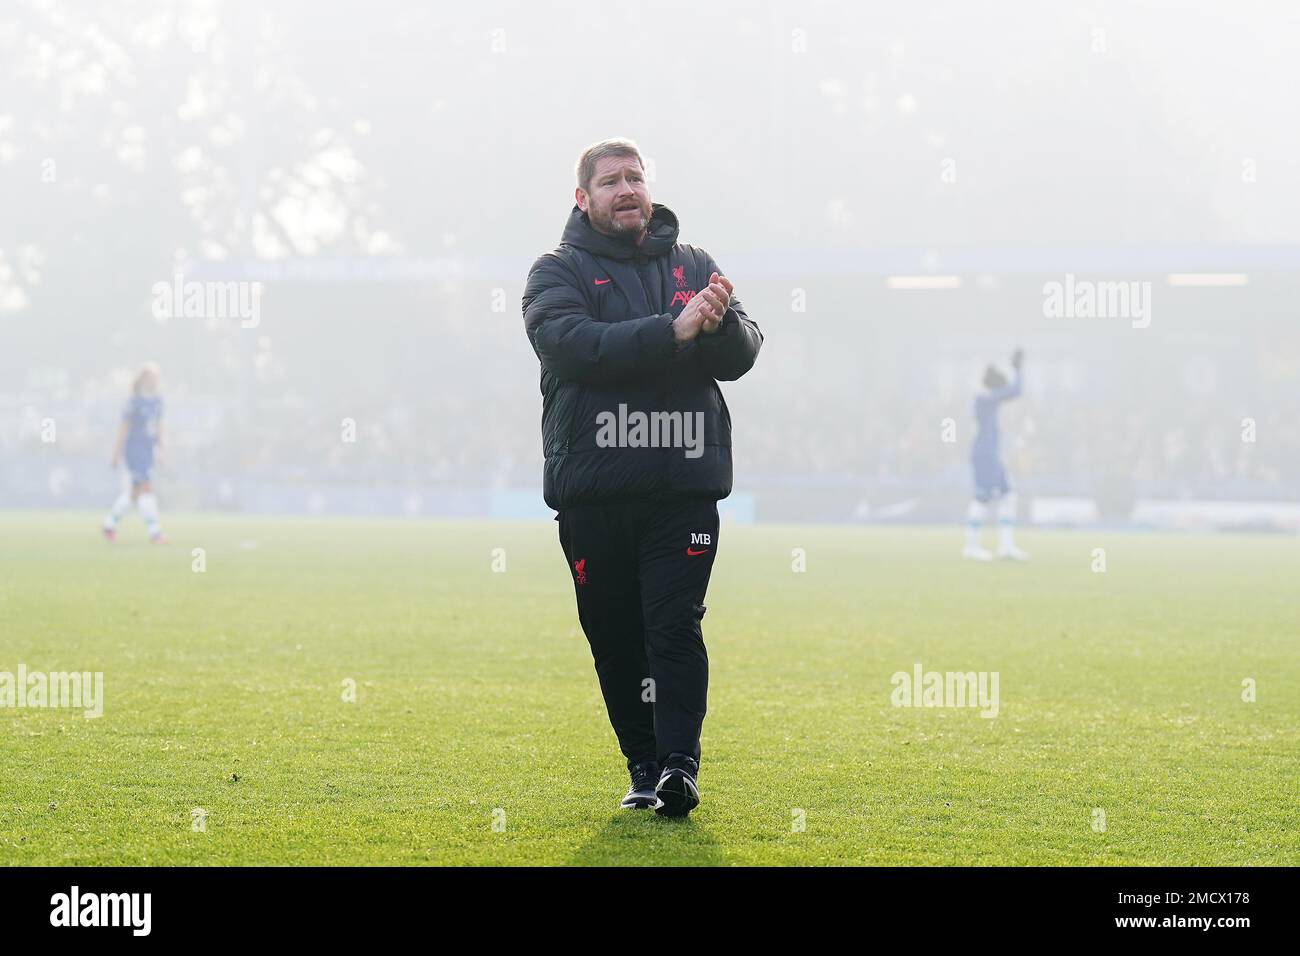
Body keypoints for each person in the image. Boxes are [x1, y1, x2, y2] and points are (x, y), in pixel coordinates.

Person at [522, 139, 762, 817]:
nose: (627, 189)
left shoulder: (696, 265)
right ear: (583, 198)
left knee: (674, 625)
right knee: (614, 632)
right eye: (610, 181)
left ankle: (680, 768)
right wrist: (674, 329)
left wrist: (714, 329)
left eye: (636, 178)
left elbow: (743, 350)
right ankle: (643, 764)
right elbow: (575, 347)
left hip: (682, 485)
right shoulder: (555, 272)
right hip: (594, 491)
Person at [963, 349, 1028, 561]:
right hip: (984, 455)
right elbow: (1016, 390)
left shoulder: (986, 397)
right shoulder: (985, 397)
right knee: (981, 498)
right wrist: (1017, 369)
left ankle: (1006, 547)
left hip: (991, 454)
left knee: (1008, 495)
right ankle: (971, 547)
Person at [103, 362, 167, 543]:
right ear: (144, 380)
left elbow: (159, 427)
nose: (155, 381)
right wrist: (116, 454)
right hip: (134, 450)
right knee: (146, 488)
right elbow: (123, 429)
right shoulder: (133, 403)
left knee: (135, 493)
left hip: (147, 450)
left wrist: (161, 448)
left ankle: (109, 525)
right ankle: (155, 533)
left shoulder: (157, 402)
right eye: (152, 378)